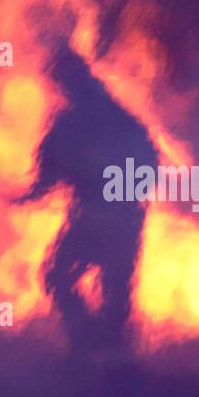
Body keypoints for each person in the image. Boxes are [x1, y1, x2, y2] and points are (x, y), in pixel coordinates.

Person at [16, 47, 156, 352]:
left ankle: (93, 348)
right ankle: (105, 353)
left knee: (61, 279)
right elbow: (149, 166)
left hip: (95, 218)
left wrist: (28, 197)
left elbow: (45, 180)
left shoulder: (71, 123)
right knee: (113, 292)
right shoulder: (120, 117)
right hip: (121, 218)